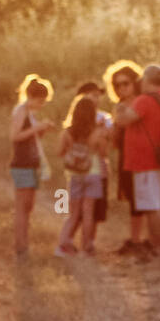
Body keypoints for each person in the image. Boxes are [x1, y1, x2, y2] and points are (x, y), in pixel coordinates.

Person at [115, 62, 160, 258]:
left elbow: (123, 121)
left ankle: (156, 247)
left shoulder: (145, 100)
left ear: (147, 80)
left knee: (152, 208)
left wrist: (119, 108)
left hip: (146, 162)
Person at [102, 60, 151, 256]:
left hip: (143, 157)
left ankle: (142, 240)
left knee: (144, 200)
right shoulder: (120, 106)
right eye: (117, 85)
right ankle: (135, 239)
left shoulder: (143, 102)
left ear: (135, 82)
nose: (121, 88)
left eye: (126, 83)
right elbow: (115, 141)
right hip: (126, 156)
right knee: (132, 199)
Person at [55, 94, 111, 256]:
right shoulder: (97, 132)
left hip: (74, 175)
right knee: (88, 213)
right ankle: (86, 247)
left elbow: (59, 152)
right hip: (93, 174)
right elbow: (104, 153)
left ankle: (63, 245)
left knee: (73, 214)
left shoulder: (67, 132)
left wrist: (72, 151)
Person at [9, 74, 55, 257]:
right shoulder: (20, 111)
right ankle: (21, 245)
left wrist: (41, 130)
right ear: (33, 97)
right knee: (22, 205)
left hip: (33, 162)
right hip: (22, 163)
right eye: (41, 101)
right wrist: (37, 128)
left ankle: (24, 242)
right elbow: (14, 136)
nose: (42, 105)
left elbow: (29, 137)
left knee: (29, 205)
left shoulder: (30, 114)